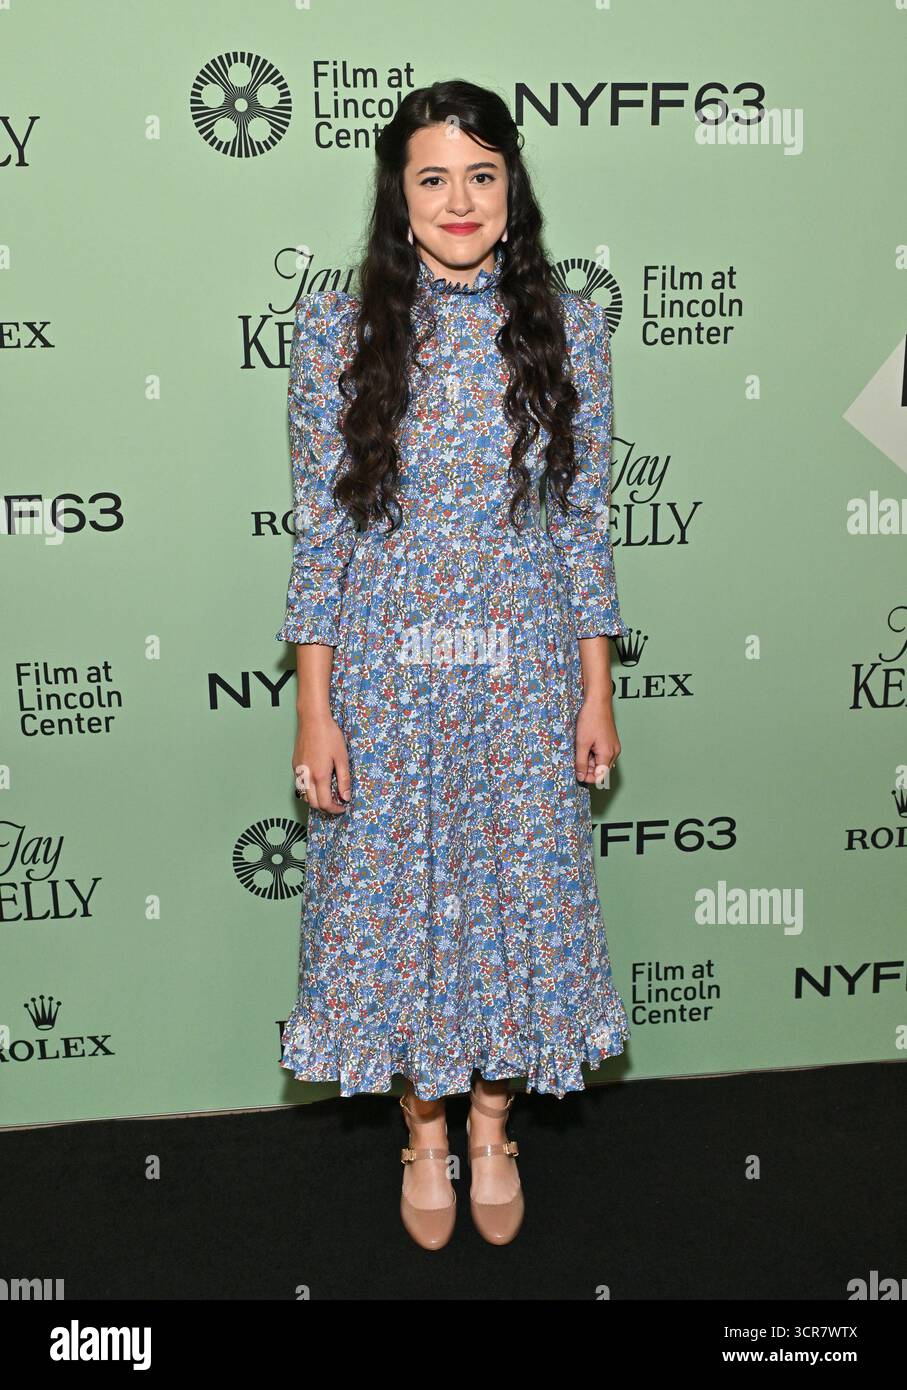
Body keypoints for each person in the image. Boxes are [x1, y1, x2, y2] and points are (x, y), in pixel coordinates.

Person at [276, 79, 632, 1251]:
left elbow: (580, 523)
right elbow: (320, 532)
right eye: (433, 177)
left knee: (521, 904)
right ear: (399, 196)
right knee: (389, 915)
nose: (459, 199)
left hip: (522, 674)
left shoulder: (572, 327)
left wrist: (595, 686)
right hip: (382, 678)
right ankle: (421, 1135)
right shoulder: (333, 332)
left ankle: (492, 1126)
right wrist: (314, 711)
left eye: (482, 175)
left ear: (511, 190)